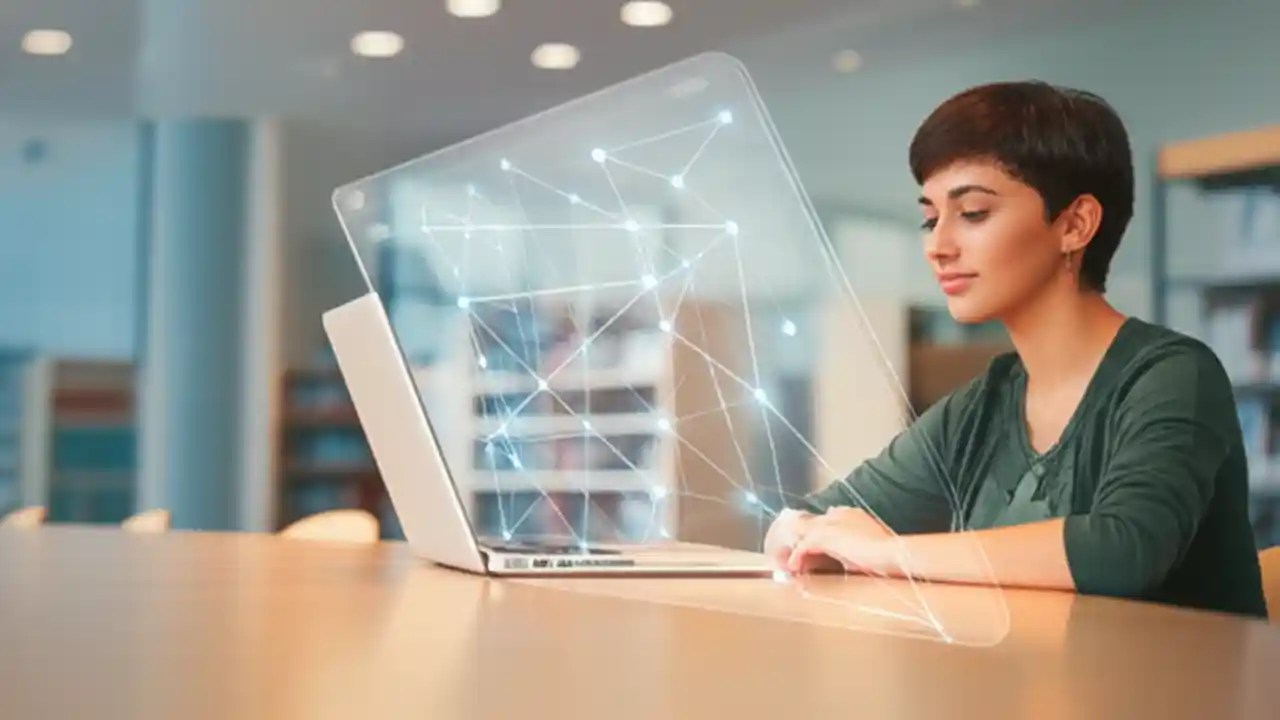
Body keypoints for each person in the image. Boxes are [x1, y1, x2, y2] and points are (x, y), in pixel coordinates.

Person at [765, 81, 1268, 618]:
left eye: (974, 213)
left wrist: (888, 553)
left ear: (1075, 224)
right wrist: (805, 530)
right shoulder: (984, 403)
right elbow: (818, 516)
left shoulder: (1173, 376)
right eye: (930, 218)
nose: (938, 246)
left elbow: (1123, 551)